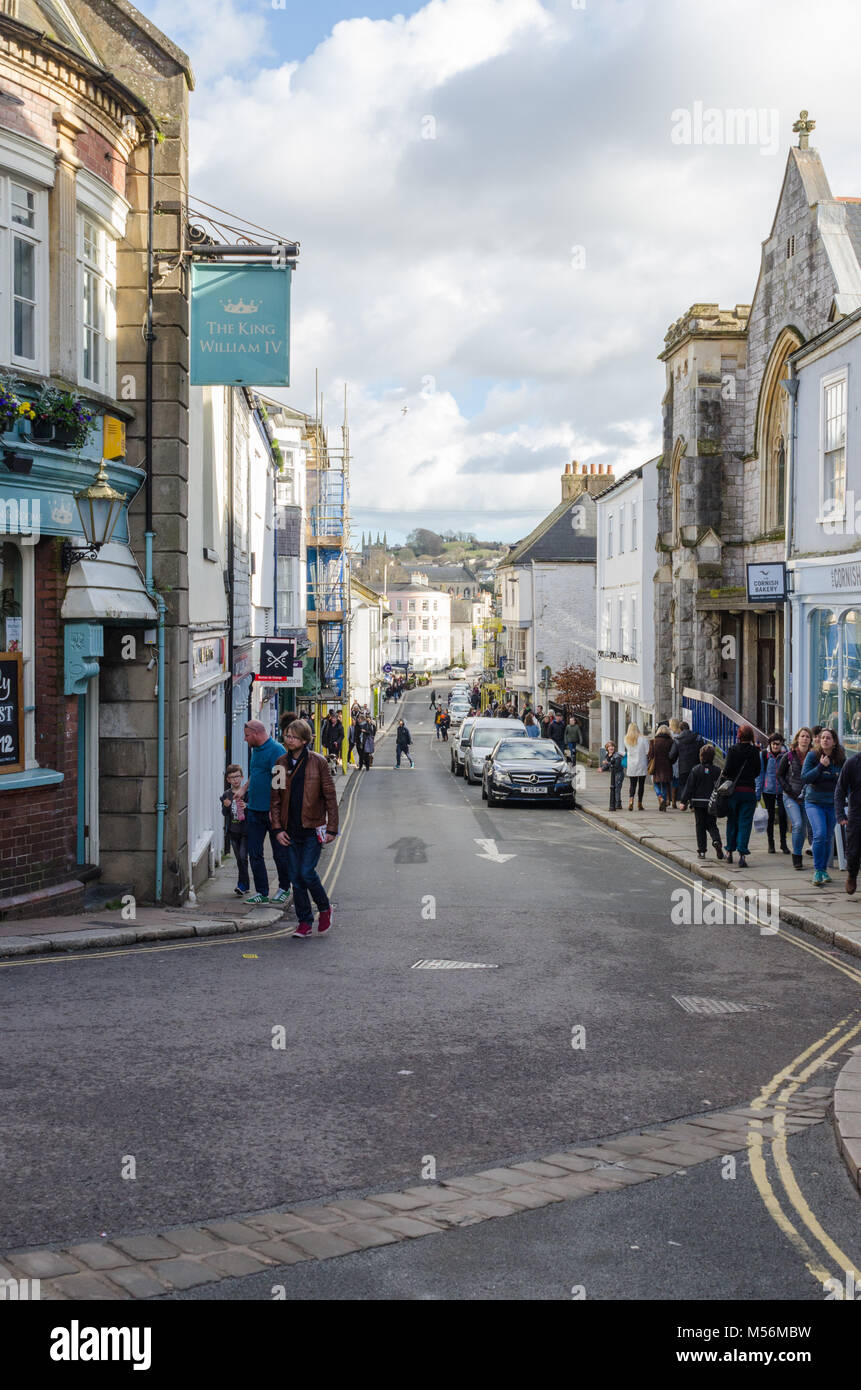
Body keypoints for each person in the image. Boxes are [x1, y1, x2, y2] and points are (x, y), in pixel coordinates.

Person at [270, 719, 338, 939]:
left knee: (306, 873)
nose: (289, 740)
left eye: (293, 737)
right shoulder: (280, 763)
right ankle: (304, 922)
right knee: (295, 879)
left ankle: (324, 907)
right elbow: (276, 799)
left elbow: (330, 796)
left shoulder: (318, 763)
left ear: (305, 740)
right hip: (290, 831)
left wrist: (332, 829)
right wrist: (278, 829)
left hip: (312, 828)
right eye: (287, 736)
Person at [242, 719, 291, 904]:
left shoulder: (276, 751)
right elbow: (256, 773)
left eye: (247, 735)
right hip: (254, 810)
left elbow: (280, 784)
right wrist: (244, 789)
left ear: (256, 733)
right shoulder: (255, 750)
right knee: (254, 852)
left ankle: (284, 887)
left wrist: (275, 809)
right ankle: (262, 892)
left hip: (271, 813)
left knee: (280, 853)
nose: (245, 739)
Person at [801, 727, 845, 886]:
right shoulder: (813, 756)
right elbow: (805, 778)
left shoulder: (840, 759)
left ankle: (824, 870)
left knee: (827, 838)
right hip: (814, 802)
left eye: (828, 738)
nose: (825, 740)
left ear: (834, 742)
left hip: (832, 803)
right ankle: (818, 870)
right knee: (819, 834)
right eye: (822, 737)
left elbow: (843, 782)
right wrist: (820, 767)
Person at [722, 724, 764, 868]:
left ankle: (729, 852)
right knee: (745, 824)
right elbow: (758, 771)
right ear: (751, 736)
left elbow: (727, 771)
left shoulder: (732, 750)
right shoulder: (755, 752)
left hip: (734, 792)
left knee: (732, 821)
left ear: (739, 735)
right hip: (749, 792)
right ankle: (742, 854)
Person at [680, 744, 724, 860]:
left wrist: (683, 801)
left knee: (700, 826)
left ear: (701, 756)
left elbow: (689, 787)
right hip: (711, 803)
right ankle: (716, 841)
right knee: (712, 824)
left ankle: (702, 851)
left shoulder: (695, 770)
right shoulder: (717, 771)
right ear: (713, 757)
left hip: (698, 803)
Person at [778, 727, 813, 869]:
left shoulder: (813, 756)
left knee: (803, 828)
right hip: (790, 796)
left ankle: (798, 853)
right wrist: (788, 789)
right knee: (797, 824)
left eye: (807, 737)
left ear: (810, 740)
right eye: (802, 736)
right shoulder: (789, 756)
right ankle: (797, 856)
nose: (805, 739)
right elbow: (779, 775)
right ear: (798, 738)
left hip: (807, 797)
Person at [835, 746, 861, 894]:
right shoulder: (852, 763)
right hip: (856, 815)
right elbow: (840, 790)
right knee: (853, 852)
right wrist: (840, 815)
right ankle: (851, 875)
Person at [221, 763, 249, 896]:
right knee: (240, 859)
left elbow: (253, 809)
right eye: (232, 777)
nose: (235, 780)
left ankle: (241, 885)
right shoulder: (226, 794)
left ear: (242, 777)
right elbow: (224, 814)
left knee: (243, 858)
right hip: (233, 831)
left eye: (237, 776)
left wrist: (246, 806)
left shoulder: (247, 793)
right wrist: (226, 806)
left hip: (245, 831)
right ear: (228, 780)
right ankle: (246, 884)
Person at [759, 731, 790, 855]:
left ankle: (783, 843)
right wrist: (758, 791)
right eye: (773, 744)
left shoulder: (787, 755)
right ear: (770, 744)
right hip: (768, 790)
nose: (776, 746)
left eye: (778, 744)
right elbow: (760, 774)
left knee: (783, 816)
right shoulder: (764, 755)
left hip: (783, 790)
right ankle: (770, 843)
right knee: (770, 817)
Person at [673, 721, 704, 811]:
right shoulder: (697, 738)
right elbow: (702, 751)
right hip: (696, 766)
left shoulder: (678, 740)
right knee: (695, 785)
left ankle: (684, 802)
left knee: (683, 785)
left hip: (683, 767)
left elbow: (672, 755)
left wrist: (671, 761)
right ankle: (693, 804)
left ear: (681, 729)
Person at [648, 723, 677, 811]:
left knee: (655, 783)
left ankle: (660, 797)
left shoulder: (654, 741)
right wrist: (671, 761)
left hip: (656, 765)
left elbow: (651, 754)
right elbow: (673, 754)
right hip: (667, 765)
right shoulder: (671, 741)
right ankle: (663, 800)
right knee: (664, 784)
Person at [624, 721, 650, 810]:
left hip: (631, 765)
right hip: (641, 763)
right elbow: (647, 751)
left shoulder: (626, 739)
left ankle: (631, 801)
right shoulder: (643, 739)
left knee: (632, 784)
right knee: (641, 785)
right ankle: (639, 803)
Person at [600, 739, 625, 811]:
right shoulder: (607, 755)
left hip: (619, 774)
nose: (611, 748)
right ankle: (616, 803)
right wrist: (602, 768)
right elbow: (607, 766)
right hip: (613, 775)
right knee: (614, 788)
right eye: (609, 746)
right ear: (607, 748)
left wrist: (607, 763)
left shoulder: (616, 756)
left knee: (617, 788)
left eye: (612, 746)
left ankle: (618, 804)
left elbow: (616, 766)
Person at [668, 717, 683, 809]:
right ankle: (674, 801)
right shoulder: (681, 735)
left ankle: (669, 800)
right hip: (679, 761)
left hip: (670, 760)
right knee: (676, 782)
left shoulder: (669, 735)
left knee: (669, 781)